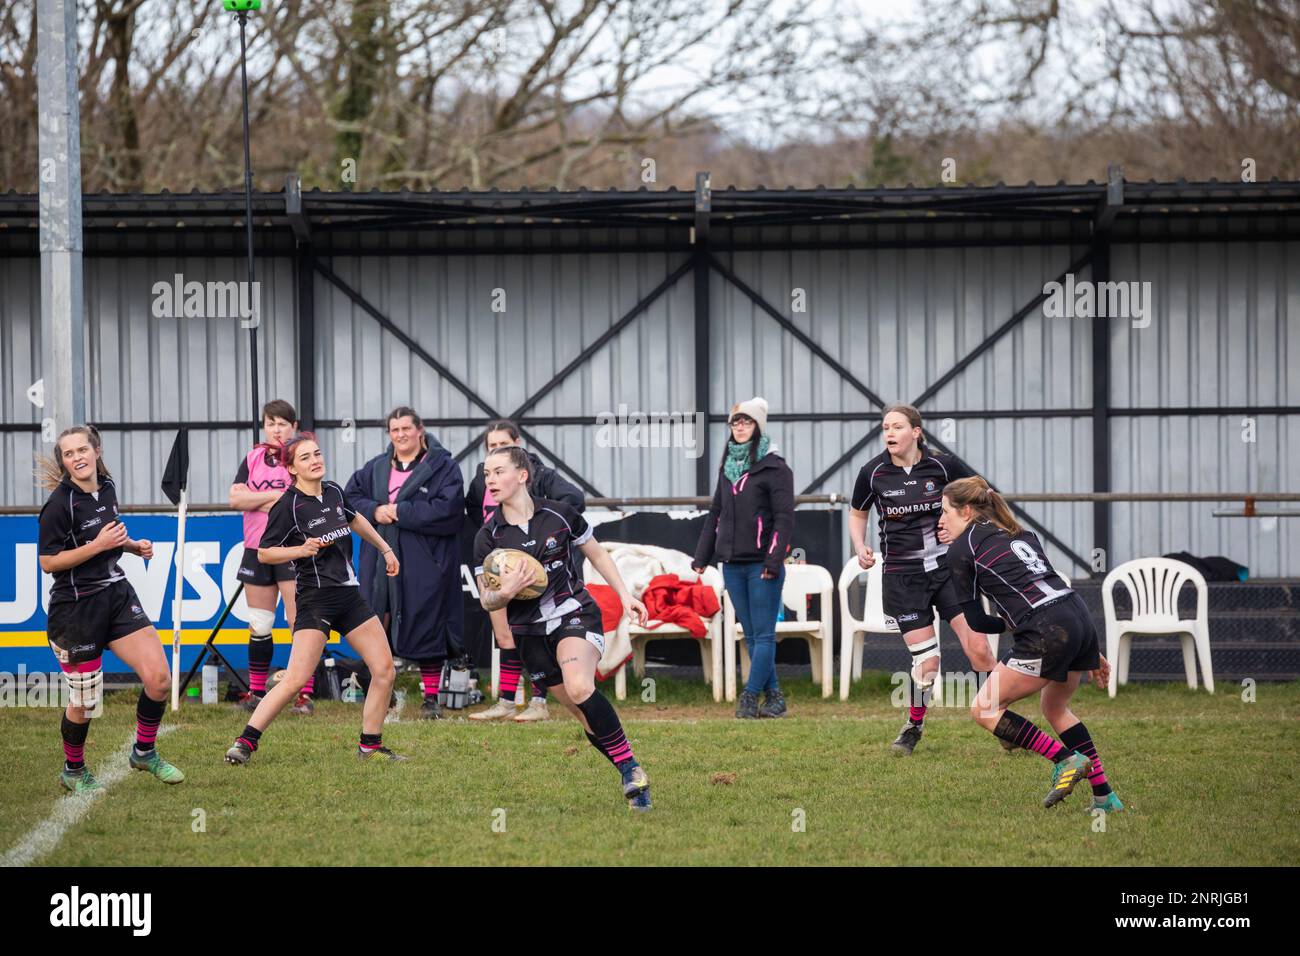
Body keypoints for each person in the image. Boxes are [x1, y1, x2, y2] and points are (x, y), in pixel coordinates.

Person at [472, 446, 652, 810]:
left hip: (574, 615)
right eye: (486, 473)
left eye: (498, 471)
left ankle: (631, 769)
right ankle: (629, 773)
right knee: (581, 711)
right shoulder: (488, 537)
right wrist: (503, 592)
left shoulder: (560, 515)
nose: (489, 480)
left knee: (581, 686)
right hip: (528, 633)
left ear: (522, 475)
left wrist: (625, 595)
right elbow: (486, 601)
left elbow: (597, 554)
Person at [939, 476, 1122, 812]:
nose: (940, 520)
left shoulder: (960, 551)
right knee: (1054, 708)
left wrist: (1017, 624)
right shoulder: (1020, 533)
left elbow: (977, 622)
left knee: (984, 708)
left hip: (1047, 629)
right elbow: (1049, 587)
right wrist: (1088, 646)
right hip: (1078, 616)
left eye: (944, 511)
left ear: (965, 511)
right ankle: (1105, 798)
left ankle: (1065, 759)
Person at [224, 433, 404, 765]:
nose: (315, 460)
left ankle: (370, 746)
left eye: (317, 453)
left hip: (349, 597)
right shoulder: (287, 505)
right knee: (294, 680)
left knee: (384, 670)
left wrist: (385, 548)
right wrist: (301, 549)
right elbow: (264, 553)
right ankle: (245, 743)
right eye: (305, 457)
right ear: (291, 467)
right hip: (315, 600)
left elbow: (356, 520)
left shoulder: (334, 490)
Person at [36, 425, 185, 792]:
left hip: (116, 595)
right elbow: (48, 563)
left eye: (82, 449)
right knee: (85, 700)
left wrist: (132, 546)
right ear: (65, 463)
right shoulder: (58, 505)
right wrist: (100, 545)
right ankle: (73, 770)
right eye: (69, 454)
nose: (78, 457)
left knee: (159, 679)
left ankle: (144, 752)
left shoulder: (107, 488)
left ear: (96, 451)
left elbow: (107, 536)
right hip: (75, 611)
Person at [848, 403, 998, 755]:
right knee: (928, 663)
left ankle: (1002, 717)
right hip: (903, 579)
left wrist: (962, 531)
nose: (889, 433)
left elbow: (983, 498)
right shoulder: (872, 473)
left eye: (897, 426)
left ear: (916, 431)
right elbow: (857, 513)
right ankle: (913, 726)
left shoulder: (944, 465)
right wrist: (860, 545)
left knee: (979, 650)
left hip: (948, 573)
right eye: (885, 427)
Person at [344, 407, 465, 719]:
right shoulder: (375, 468)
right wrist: (374, 510)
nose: (400, 435)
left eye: (406, 429)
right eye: (394, 430)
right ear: (388, 434)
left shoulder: (444, 468)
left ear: (420, 430)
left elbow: (449, 510)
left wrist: (401, 511)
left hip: (424, 559)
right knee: (374, 620)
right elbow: (350, 497)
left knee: (428, 622)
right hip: (380, 557)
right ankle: (381, 693)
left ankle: (431, 699)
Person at [466, 419, 585, 723]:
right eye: (490, 447)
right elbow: (472, 514)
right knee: (505, 635)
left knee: (536, 633)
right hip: (499, 569)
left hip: (537, 572)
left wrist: (547, 533)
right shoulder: (484, 483)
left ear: (517, 446)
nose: (495, 452)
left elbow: (575, 499)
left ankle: (539, 700)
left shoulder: (540, 475)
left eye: (502, 446)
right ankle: (507, 700)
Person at [692, 398, 795, 719]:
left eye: (746, 422)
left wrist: (773, 561)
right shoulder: (727, 469)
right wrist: (702, 556)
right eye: (735, 422)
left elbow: (784, 518)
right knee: (751, 635)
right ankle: (775, 698)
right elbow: (716, 513)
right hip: (732, 564)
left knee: (763, 635)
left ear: (757, 427)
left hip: (763, 566)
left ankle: (749, 697)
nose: (739, 427)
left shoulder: (775, 467)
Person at [229, 399, 314, 714]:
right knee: (260, 623)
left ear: (293, 426)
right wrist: (272, 497)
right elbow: (235, 499)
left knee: (299, 624)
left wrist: (257, 499)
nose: (277, 429)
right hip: (256, 549)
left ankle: (304, 696)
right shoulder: (253, 457)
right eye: (271, 423)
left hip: (292, 548)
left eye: (282, 423)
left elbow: (303, 500)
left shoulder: (300, 455)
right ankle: (255, 693)